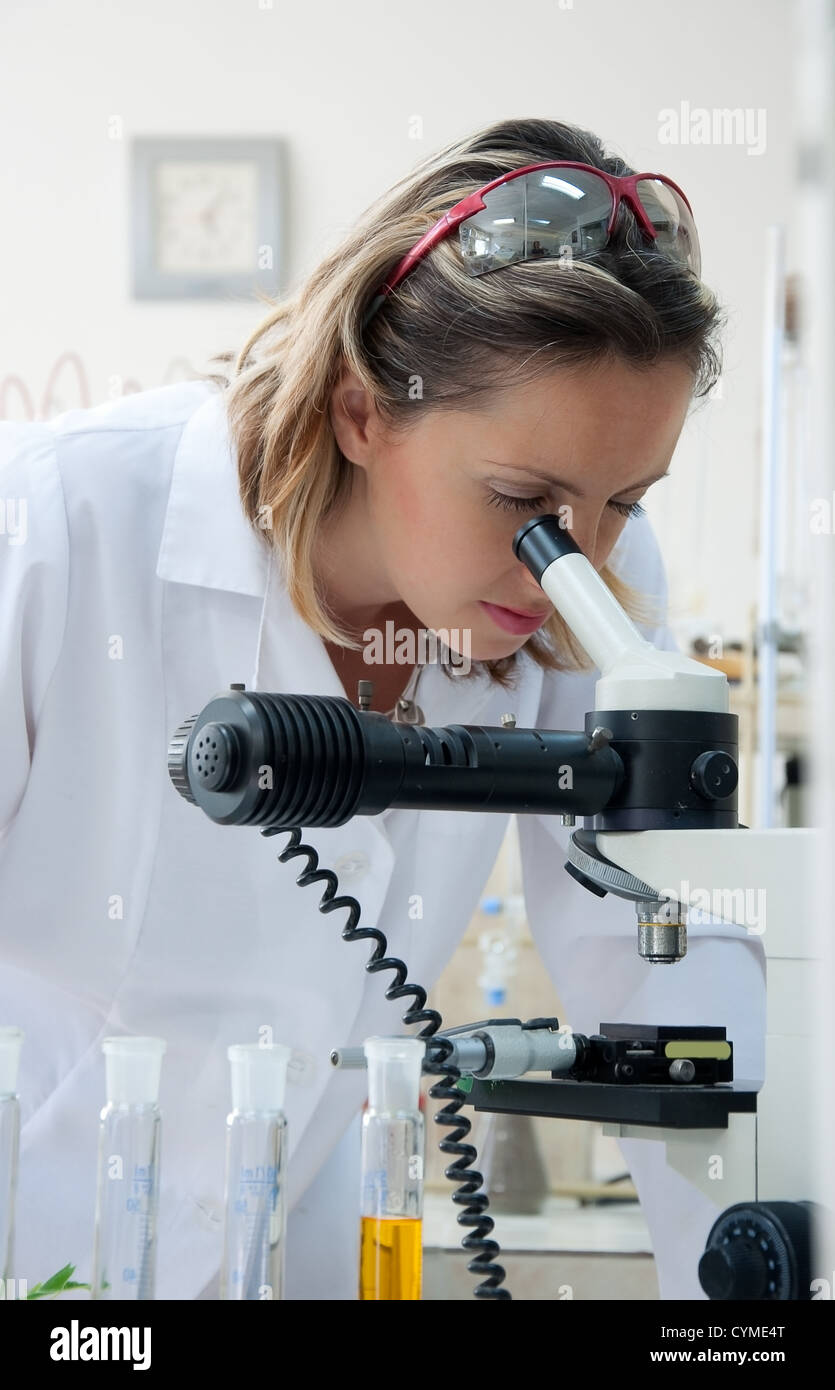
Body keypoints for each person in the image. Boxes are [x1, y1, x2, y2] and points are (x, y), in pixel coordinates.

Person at [0, 116, 765, 1301]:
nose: (575, 559)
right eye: (523, 497)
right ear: (364, 408)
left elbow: (667, 977)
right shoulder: (56, 527)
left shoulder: (594, 594)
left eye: (628, 499)